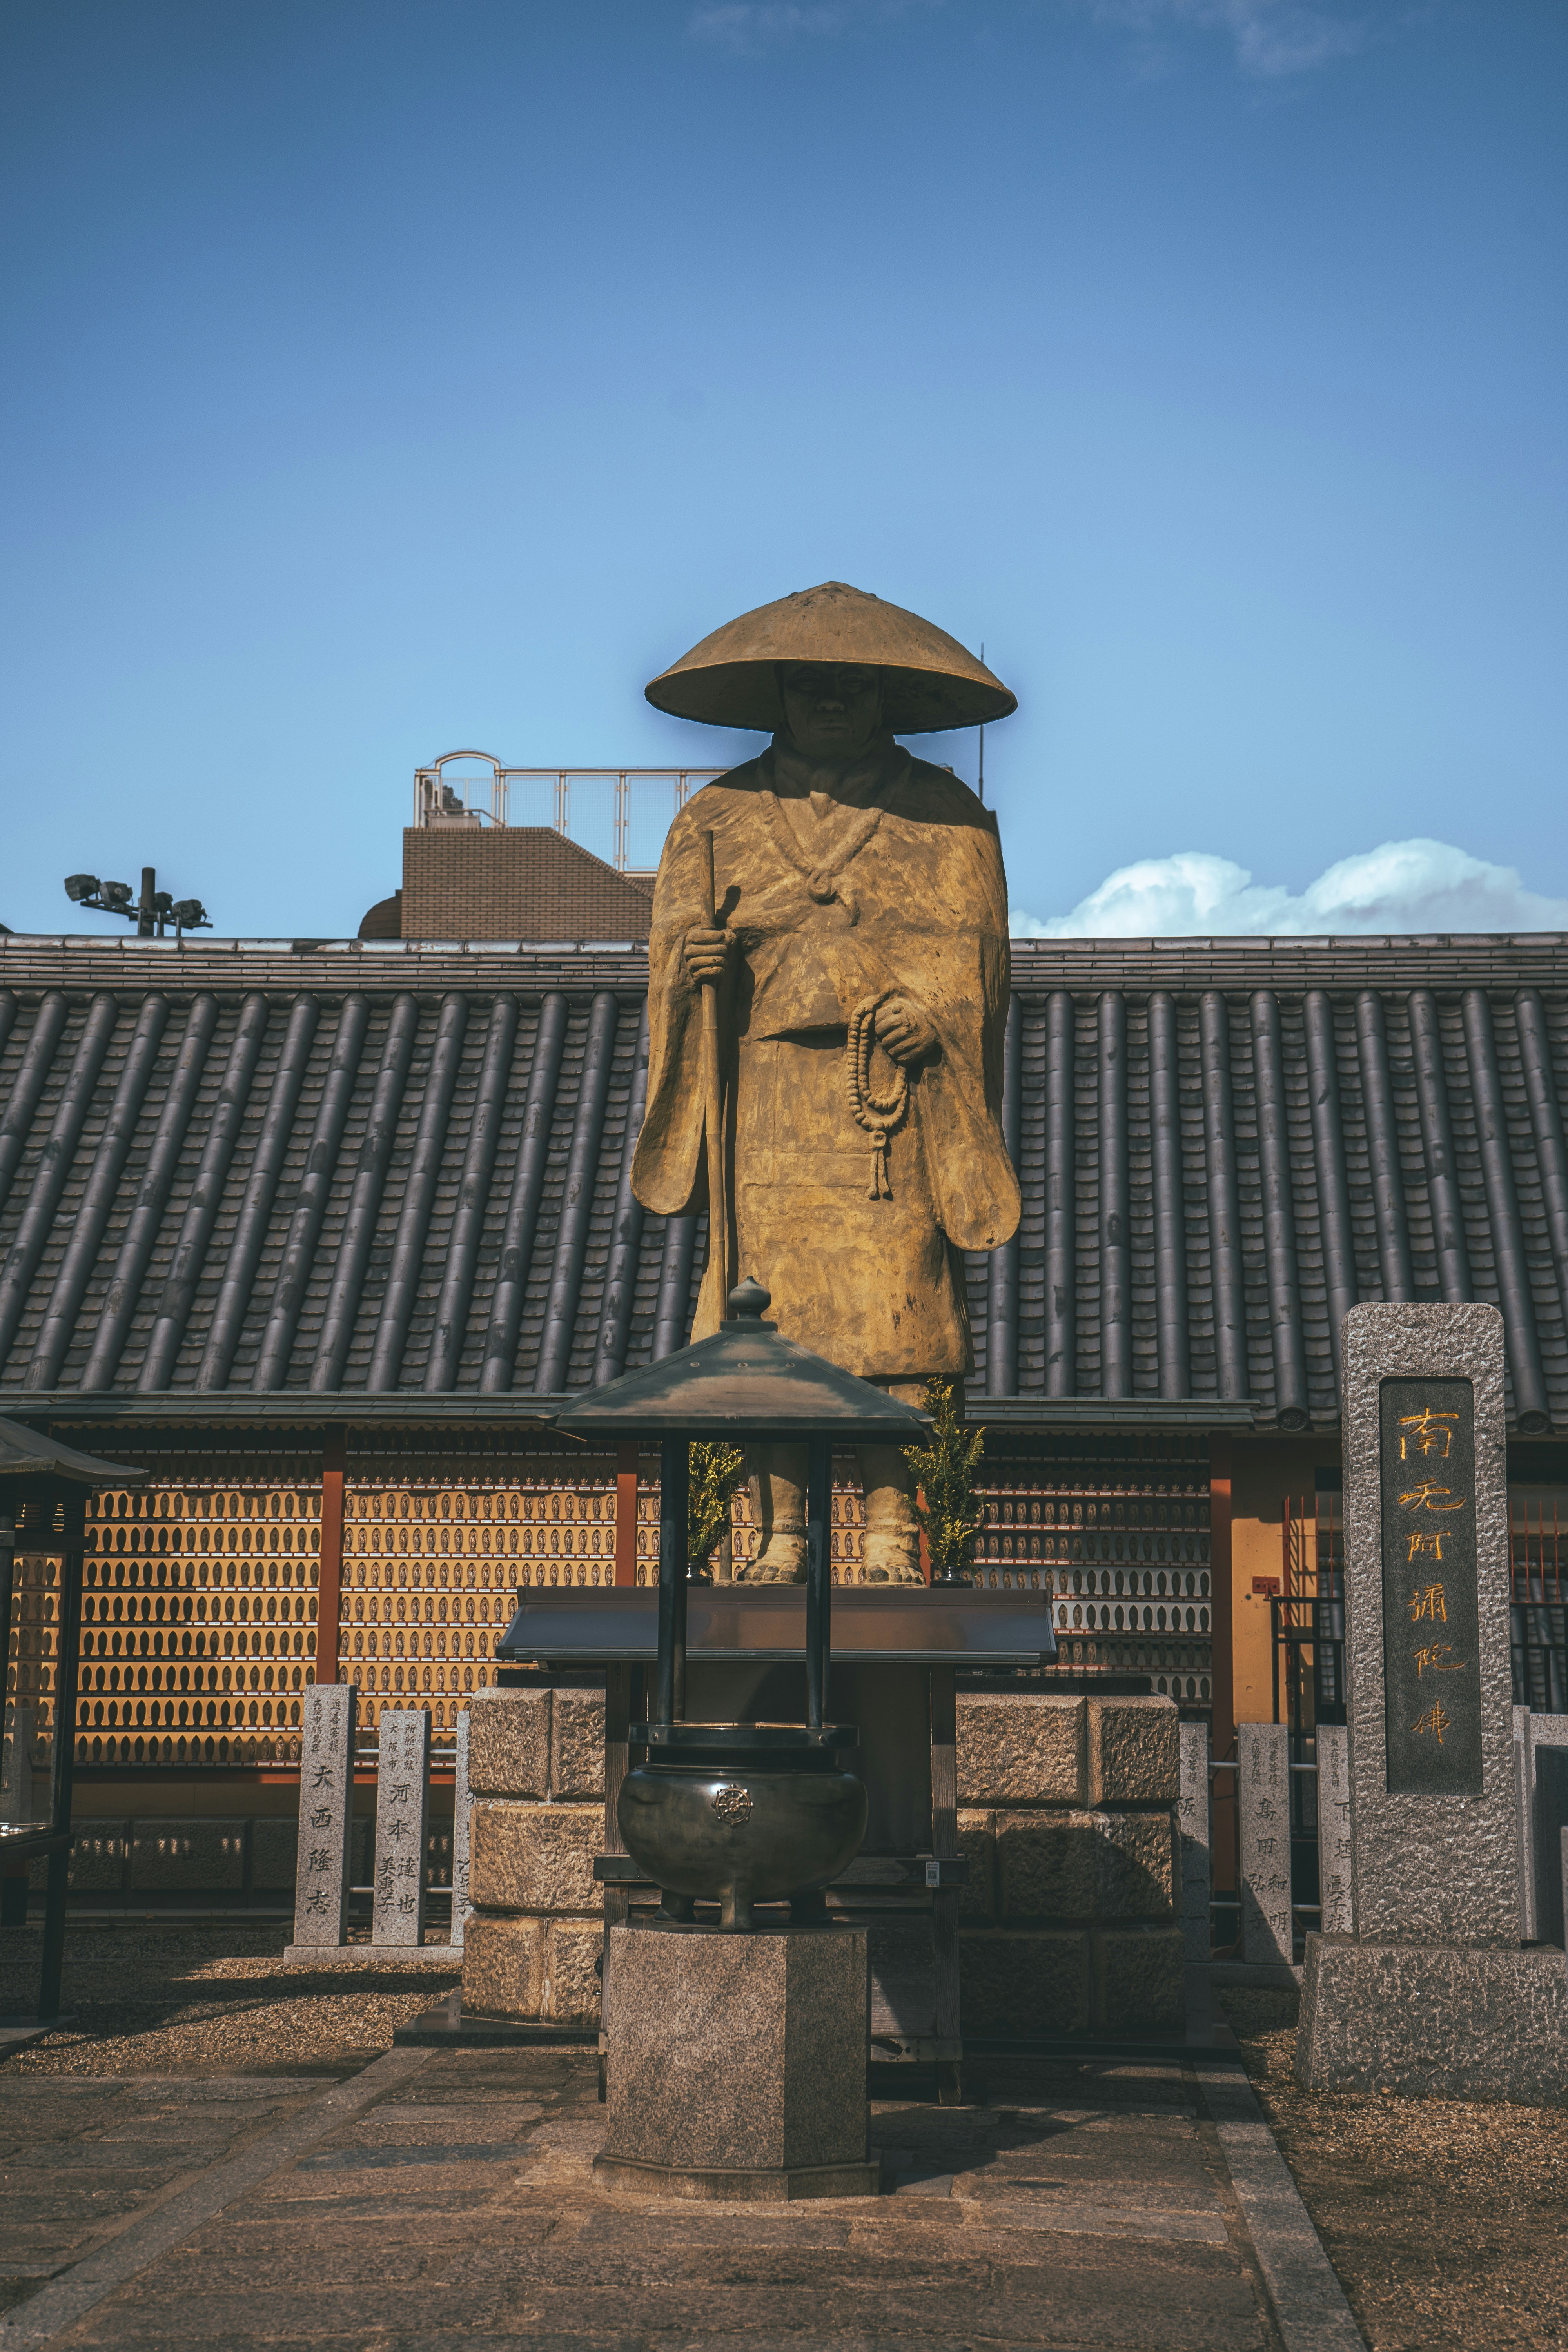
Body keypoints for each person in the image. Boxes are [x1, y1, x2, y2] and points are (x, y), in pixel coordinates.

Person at [632, 581, 1019, 1583]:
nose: (831, 700)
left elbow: (976, 963)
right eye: (811, 684)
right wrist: (696, 970)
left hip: (888, 1111)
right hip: (764, 1102)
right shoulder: (714, 819)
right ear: (776, 695)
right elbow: (671, 953)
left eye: (852, 683)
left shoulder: (944, 817)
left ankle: (892, 1529)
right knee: (773, 1319)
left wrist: (932, 1016)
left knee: (897, 1319)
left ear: (888, 696)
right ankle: (782, 1532)